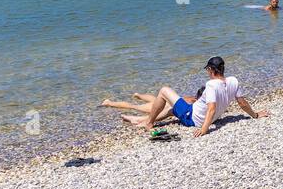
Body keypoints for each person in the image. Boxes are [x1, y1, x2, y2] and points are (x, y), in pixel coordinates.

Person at [107, 56, 261, 137]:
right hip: (193, 111)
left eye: (208, 69)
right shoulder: (233, 81)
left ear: (211, 69)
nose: (207, 72)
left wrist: (204, 129)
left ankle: (148, 123)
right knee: (172, 109)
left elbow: (212, 108)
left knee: (164, 90)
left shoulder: (211, 85)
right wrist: (255, 115)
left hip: (192, 118)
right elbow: (242, 103)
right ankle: (139, 120)